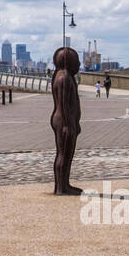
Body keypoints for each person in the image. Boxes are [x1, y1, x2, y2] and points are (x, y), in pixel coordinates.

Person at [50, 46, 83, 195]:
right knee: (63, 154)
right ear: (67, 61)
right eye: (76, 61)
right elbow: (64, 105)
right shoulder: (64, 78)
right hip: (64, 121)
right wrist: (68, 125)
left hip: (67, 121)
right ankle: (61, 187)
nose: (79, 64)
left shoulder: (64, 76)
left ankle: (64, 183)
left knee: (67, 153)